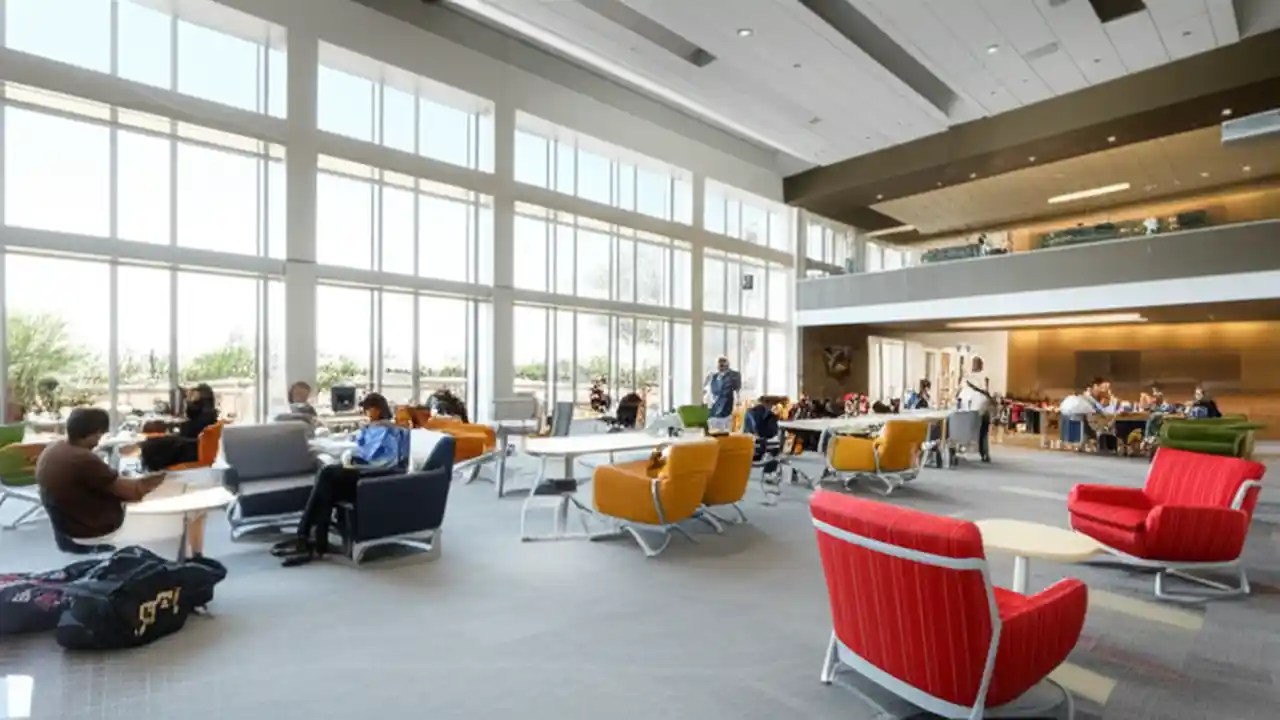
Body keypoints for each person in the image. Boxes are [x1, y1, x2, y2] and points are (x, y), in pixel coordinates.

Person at [37, 408, 207, 556]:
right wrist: (165, 476)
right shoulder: (83, 459)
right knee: (190, 507)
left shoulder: (53, 449)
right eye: (100, 435)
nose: (99, 441)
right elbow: (134, 492)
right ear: (95, 432)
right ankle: (190, 560)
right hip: (96, 527)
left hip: (68, 526)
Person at [272, 393, 408, 566]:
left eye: (368, 410)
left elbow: (380, 460)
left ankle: (305, 537)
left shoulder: (391, 431)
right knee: (327, 485)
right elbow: (359, 443)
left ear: (376, 409)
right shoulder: (374, 428)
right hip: (367, 472)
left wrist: (353, 457)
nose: (366, 413)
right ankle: (314, 541)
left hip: (374, 477)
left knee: (328, 473)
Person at [139, 384, 219, 471]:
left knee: (151, 447)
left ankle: (151, 475)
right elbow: (189, 426)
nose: (188, 399)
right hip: (194, 448)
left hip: (191, 451)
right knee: (154, 443)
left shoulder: (204, 418)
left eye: (192, 397)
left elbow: (188, 431)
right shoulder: (209, 415)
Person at [958, 357, 992, 462]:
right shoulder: (968, 377)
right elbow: (961, 390)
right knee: (971, 431)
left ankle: (984, 453)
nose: (975, 365)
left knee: (982, 432)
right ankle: (965, 450)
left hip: (978, 407)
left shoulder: (981, 376)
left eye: (977, 363)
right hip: (970, 407)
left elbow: (986, 391)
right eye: (975, 363)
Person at [703, 356, 741, 432]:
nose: (721, 367)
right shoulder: (713, 376)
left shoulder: (734, 375)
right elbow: (704, 389)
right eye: (719, 365)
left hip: (727, 410)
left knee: (726, 430)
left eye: (723, 365)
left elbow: (737, 390)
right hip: (714, 409)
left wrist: (738, 401)